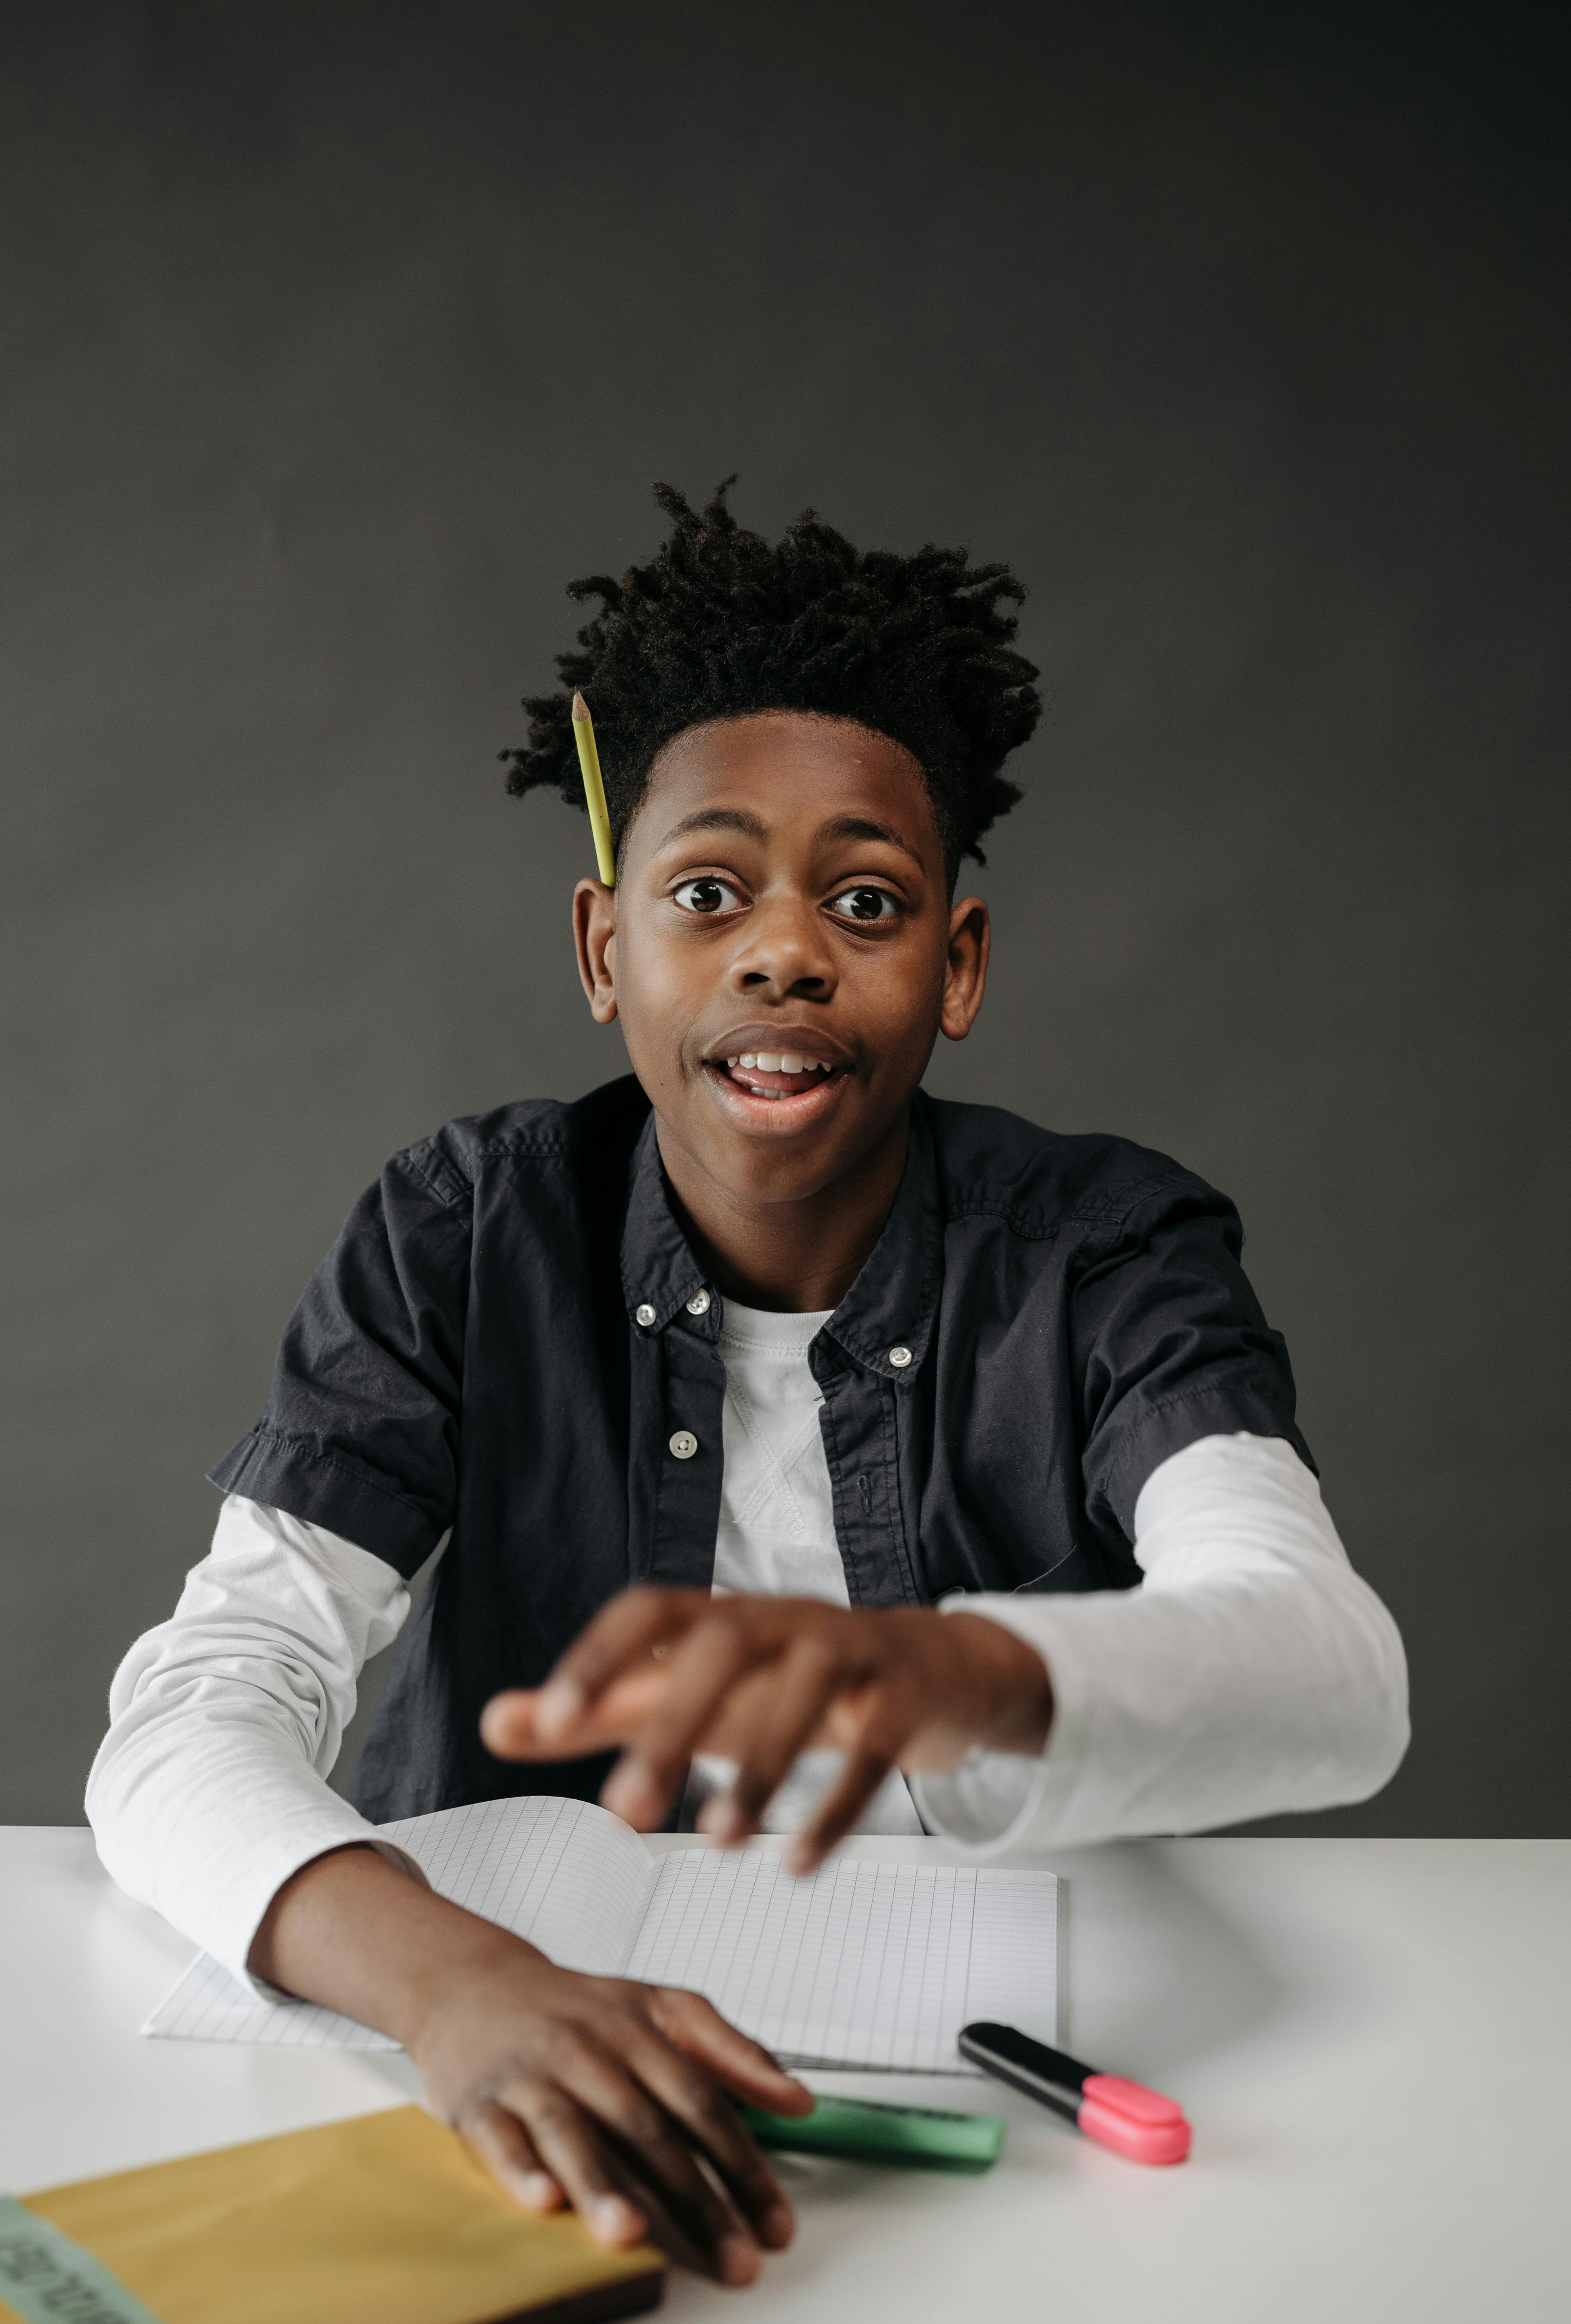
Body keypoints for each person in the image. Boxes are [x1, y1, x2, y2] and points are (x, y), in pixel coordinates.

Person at [88, 482, 1408, 2283]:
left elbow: (1330, 1672)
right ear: (602, 950)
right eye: (704, 892)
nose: (783, 949)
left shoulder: (1100, 1248)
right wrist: (461, 1990)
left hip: (981, 2112)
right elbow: (191, 1713)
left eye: (863, 902)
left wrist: (938, 1663)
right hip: (485, 2071)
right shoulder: (462, 1231)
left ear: (953, 967)